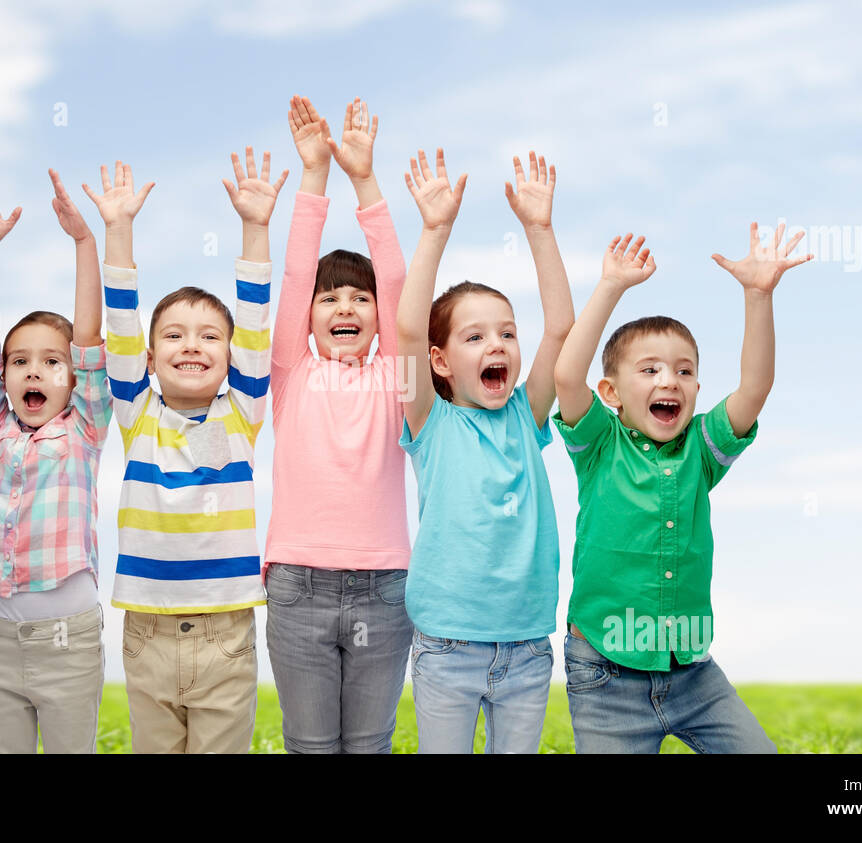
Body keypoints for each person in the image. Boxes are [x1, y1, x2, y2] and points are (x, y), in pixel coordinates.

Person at [552, 223, 812, 753]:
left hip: (693, 675)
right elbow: (565, 378)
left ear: (696, 388)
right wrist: (610, 287)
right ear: (612, 393)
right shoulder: (601, 445)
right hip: (605, 674)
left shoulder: (703, 448)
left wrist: (758, 296)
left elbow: (755, 388)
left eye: (683, 370)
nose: (668, 380)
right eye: (648, 370)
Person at [88, 152, 284, 753]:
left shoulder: (241, 412)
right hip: (147, 630)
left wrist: (255, 228)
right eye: (173, 336)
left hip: (226, 628)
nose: (191, 346)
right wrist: (118, 231)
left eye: (208, 337)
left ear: (231, 358)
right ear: (149, 360)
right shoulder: (136, 411)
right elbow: (120, 325)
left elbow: (253, 320)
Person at [397, 149, 575, 753]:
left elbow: (560, 328)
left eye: (505, 332)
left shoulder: (528, 414)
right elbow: (405, 333)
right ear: (440, 361)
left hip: (526, 649)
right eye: (474, 336)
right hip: (447, 648)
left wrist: (539, 229)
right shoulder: (429, 421)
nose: (496, 343)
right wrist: (435, 230)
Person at [263, 96, 413, 753]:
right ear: (311, 316)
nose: (345, 304)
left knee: (370, 746)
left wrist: (365, 181)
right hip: (297, 586)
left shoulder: (400, 381)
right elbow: (297, 273)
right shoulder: (291, 373)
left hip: (386, 590)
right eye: (332, 297)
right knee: (312, 745)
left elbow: (402, 282)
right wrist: (315, 176)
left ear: (381, 315)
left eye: (361, 295)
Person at [0, 168, 112, 753]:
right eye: (20, 362)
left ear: (74, 379)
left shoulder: (85, 428)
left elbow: (91, 342)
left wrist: (84, 242)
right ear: (4, 378)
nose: (34, 371)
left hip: (66, 641)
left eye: (52, 362)